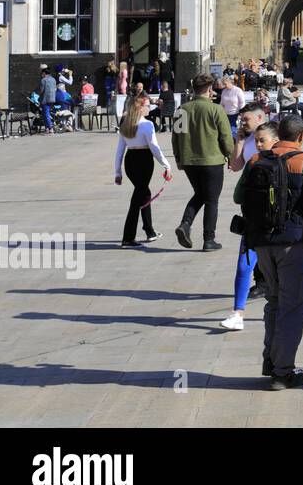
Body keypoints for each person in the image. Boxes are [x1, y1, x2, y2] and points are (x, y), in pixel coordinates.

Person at [232, 112, 303, 390]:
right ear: (301, 136)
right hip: (293, 244)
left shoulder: (257, 160)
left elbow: (238, 196)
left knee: (273, 300)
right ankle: (283, 372)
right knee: (294, 305)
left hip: (262, 244)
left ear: (279, 133)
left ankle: (271, 361)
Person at [220, 104, 273, 332]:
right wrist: (239, 142)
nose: (243, 123)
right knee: (244, 264)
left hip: (275, 214)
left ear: (261, 117)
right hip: (252, 211)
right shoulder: (246, 140)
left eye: (247, 119)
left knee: (275, 264)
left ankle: (277, 307)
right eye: (241, 119)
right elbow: (234, 166)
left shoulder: (275, 139)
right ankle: (237, 313)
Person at [172, 74, 235, 251]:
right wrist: (230, 156)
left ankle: (185, 224)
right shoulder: (216, 110)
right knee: (211, 200)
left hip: (189, 161)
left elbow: (175, 137)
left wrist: (178, 158)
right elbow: (225, 137)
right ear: (209, 90)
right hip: (212, 160)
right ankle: (209, 239)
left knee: (200, 193)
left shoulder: (182, 110)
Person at [114, 93, 171, 247]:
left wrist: (118, 172)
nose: (149, 108)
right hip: (144, 160)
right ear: (139, 107)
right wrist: (166, 164)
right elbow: (154, 147)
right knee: (138, 197)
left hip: (130, 160)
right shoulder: (147, 124)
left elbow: (120, 150)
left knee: (144, 193)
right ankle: (128, 237)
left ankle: (149, 230)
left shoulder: (126, 123)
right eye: (147, 105)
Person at [38, 66, 57, 134]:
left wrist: (39, 98)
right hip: (52, 99)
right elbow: (55, 89)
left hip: (45, 99)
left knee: (46, 114)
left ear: (44, 73)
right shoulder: (53, 79)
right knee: (45, 113)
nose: (41, 75)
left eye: (42, 73)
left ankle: (50, 127)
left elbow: (41, 90)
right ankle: (47, 128)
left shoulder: (43, 80)